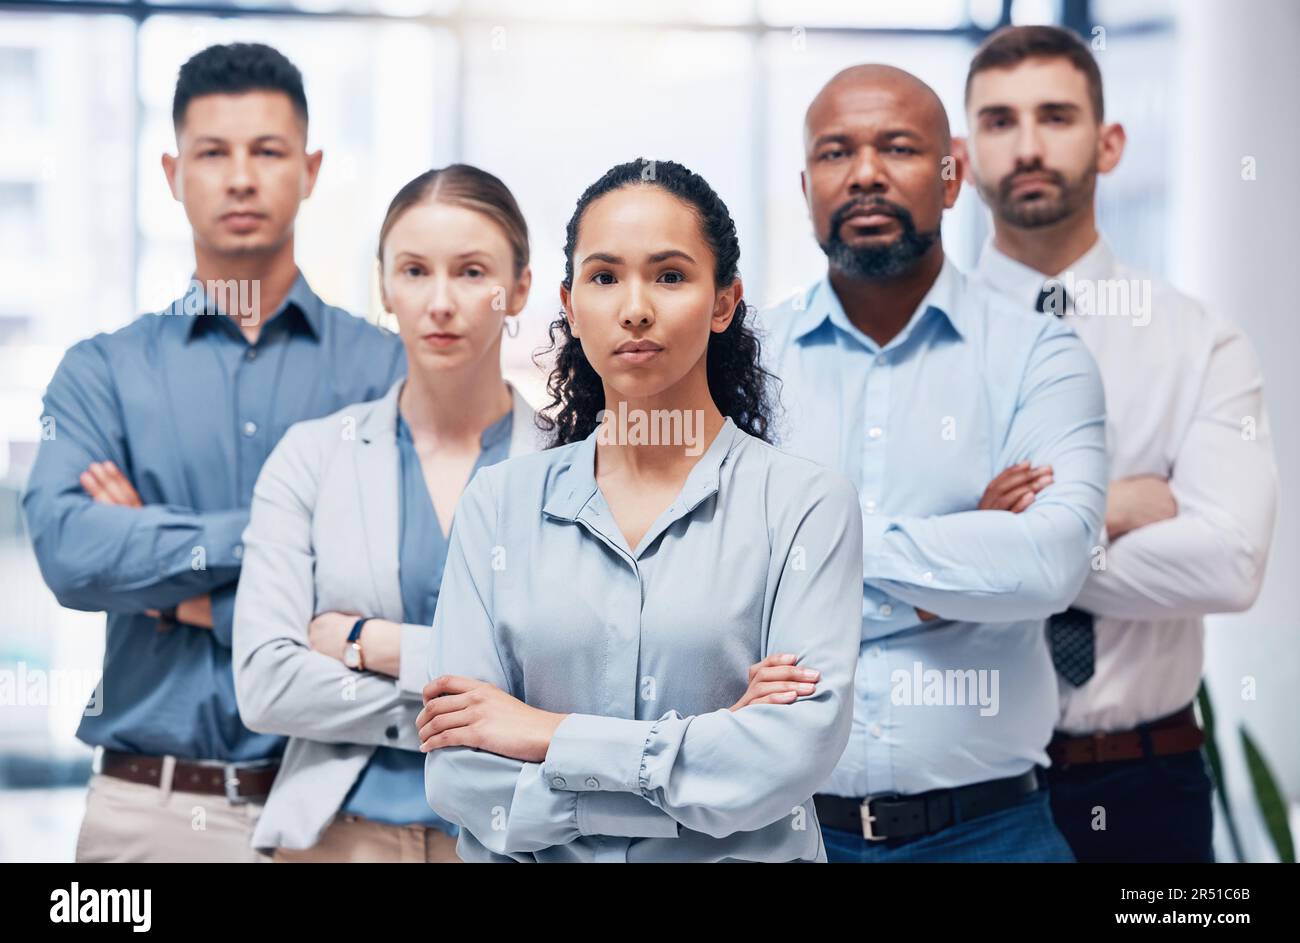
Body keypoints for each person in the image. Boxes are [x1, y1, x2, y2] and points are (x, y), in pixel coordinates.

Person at [20, 43, 405, 862]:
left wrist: (168, 585)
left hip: (345, 812)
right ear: (171, 171)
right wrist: (291, 539)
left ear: (310, 169)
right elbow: (71, 555)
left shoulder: (389, 371)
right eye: (212, 153)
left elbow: (409, 590)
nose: (240, 177)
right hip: (148, 815)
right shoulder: (102, 371)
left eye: (267, 152)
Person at [417, 158, 864, 862]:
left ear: (724, 302)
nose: (635, 308)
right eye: (604, 277)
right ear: (569, 303)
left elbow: (782, 762)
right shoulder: (497, 506)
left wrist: (540, 732)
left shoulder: (806, 505)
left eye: (670, 275)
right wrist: (701, 755)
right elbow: (461, 776)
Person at [757, 64, 1108, 862]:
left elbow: (1051, 565)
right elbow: (723, 598)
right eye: (836, 153)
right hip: (783, 835)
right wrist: (957, 564)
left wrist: (812, 549)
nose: (867, 174)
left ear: (951, 179)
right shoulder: (744, 362)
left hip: (995, 836)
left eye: (899, 148)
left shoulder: (1039, 354)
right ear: (807, 184)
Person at [963, 25, 1278, 862]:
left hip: (1150, 787)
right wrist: (1119, 508)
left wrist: (1011, 540)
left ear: (1109, 143)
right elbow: (897, 560)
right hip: (964, 795)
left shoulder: (1199, 340)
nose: (1027, 145)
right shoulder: (922, 343)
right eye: (999, 122)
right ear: (964, 154)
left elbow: (1229, 564)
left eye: (1055, 116)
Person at [233, 165, 547, 862]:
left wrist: (373, 646)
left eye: (471, 272)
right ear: (384, 287)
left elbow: (578, 689)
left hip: (518, 841)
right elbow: (266, 683)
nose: (440, 302)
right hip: (341, 841)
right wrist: (490, 712)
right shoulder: (312, 458)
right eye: (414, 270)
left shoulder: (578, 468)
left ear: (518, 288)